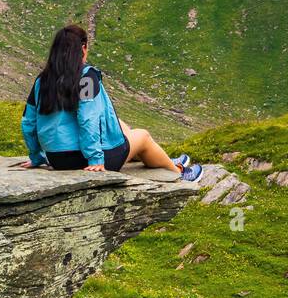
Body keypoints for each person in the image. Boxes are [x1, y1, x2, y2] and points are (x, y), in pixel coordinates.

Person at [17, 23, 203, 180]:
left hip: (56, 159)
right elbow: (87, 118)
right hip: (83, 159)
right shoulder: (86, 78)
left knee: (121, 126)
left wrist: (36, 156)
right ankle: (179, 172)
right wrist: (95, 158)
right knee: (143, 136)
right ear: (83, 48)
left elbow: (28, 122)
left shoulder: (42, 80)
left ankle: (165, 160)